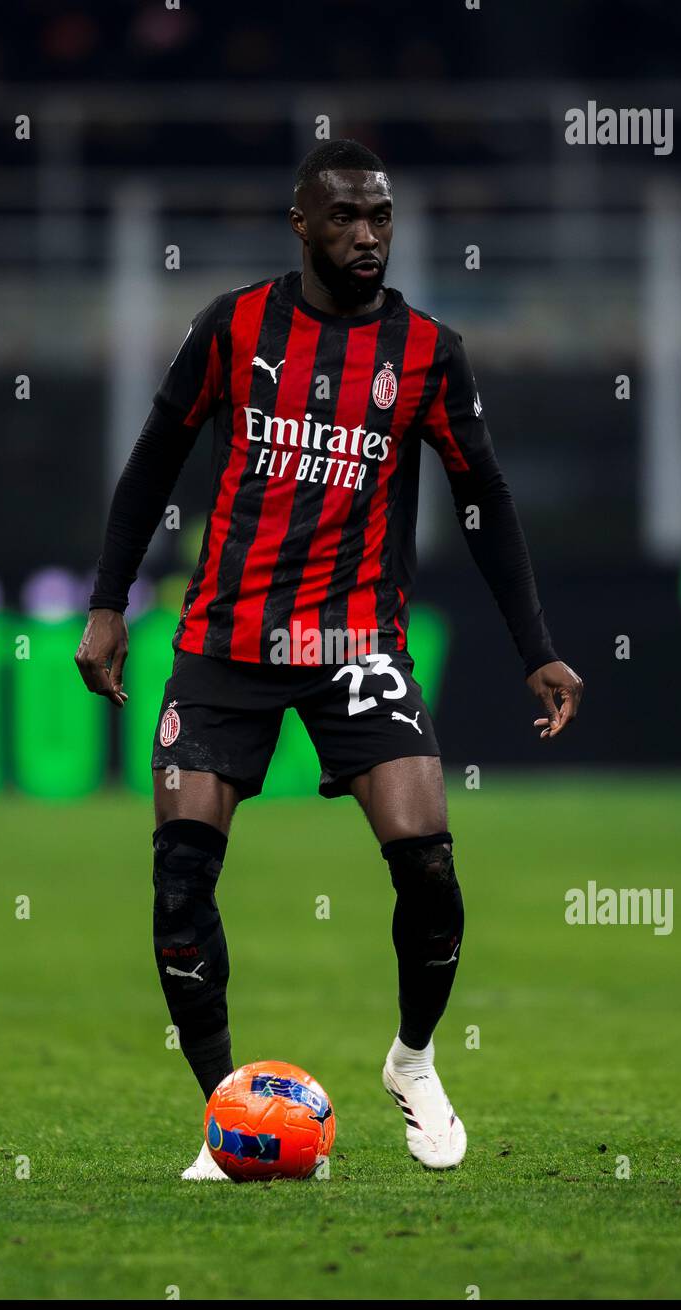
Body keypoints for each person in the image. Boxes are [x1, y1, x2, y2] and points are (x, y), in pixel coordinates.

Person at [76, 138, 583, 1179]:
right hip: (225, 637)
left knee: (427, 862)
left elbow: (482, 502)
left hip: (356, 642)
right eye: (346, 216)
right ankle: (228, 1117)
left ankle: (412, 1061)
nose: (367, 235)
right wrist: (105, 601)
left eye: (380, 217)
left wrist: (534, 646)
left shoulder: (427, 351)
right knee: (179, 883)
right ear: (300, 224)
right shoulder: (233, 326)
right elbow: (152, 461)